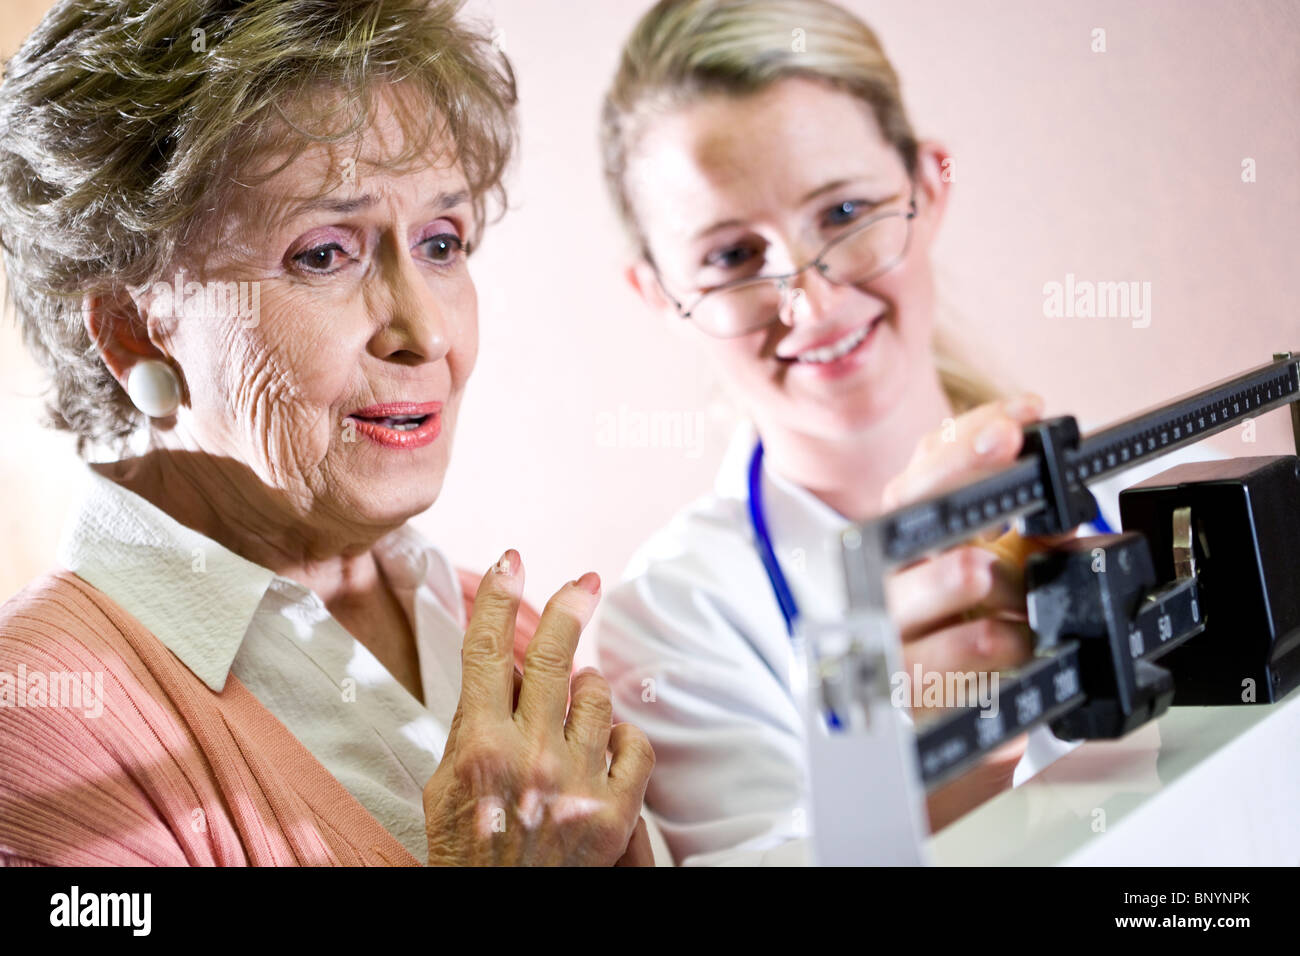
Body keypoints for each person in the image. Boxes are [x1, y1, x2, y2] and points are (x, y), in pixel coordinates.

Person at [0, 0, 653, 866]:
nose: (426, 332)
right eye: (323, 254)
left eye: (442, 243)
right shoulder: (43, 714)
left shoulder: (495, 630)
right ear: (133, 328)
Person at [594, 0, 1207, 865]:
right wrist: (935, 767)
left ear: (929, 184)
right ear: (659, 295)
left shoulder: (1173, 490)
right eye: (732, 256)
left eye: (844, 213)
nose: (812, 301)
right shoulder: (671, 622)